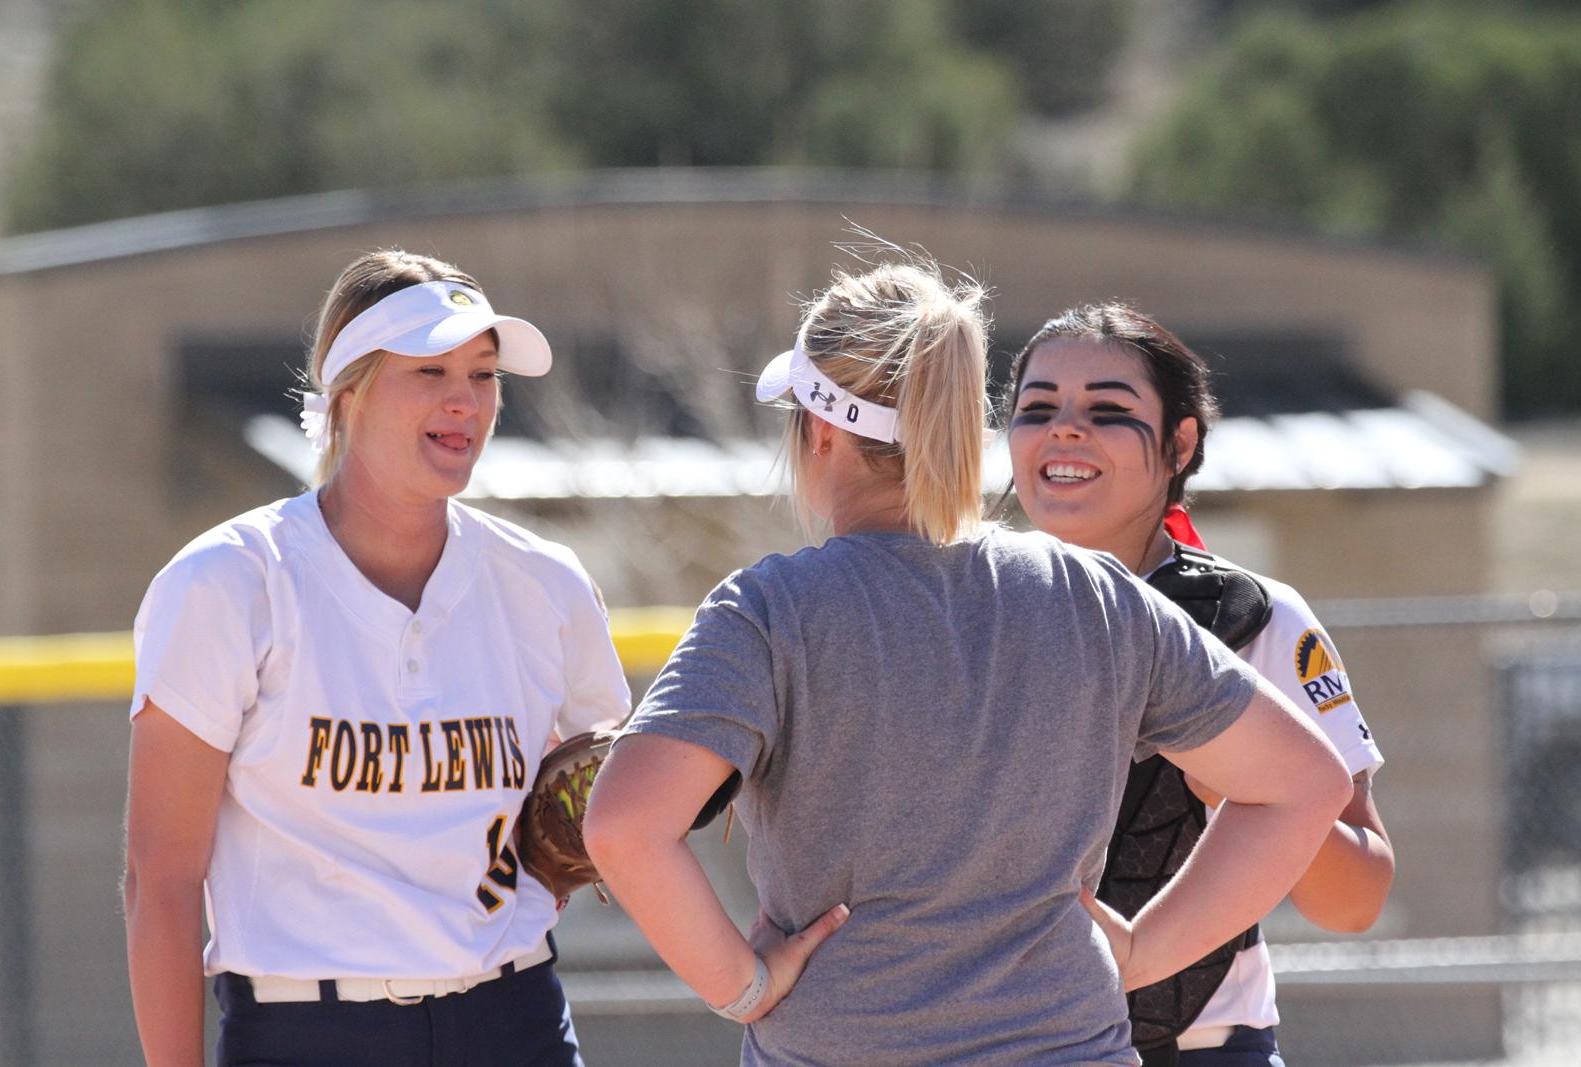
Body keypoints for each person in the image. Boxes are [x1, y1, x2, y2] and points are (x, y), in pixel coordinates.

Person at [582, 254, 1354, 1066]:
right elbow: (1308, 782)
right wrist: (1141, 952)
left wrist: (742, 982)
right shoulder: (1090, 591)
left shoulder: (769, 610)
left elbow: (625, 825)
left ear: (819, 431)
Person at [123, 249, 631, 1067]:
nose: (464, 400)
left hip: (515, 1019)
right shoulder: (231, 581)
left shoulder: (546, 584)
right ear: (347, 395)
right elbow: (161, 879)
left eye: (484, 372)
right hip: (308, 1034)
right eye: (430, 369)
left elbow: (605, 808)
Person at [1004, 303, 1393, 1066]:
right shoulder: (963, 611)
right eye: (1037, 408)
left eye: (1109, 410)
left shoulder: (1255, 620)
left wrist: (1250, 786)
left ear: (1181, 442)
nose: (1066, 429)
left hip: (1204, 1048)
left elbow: (1357, 901)